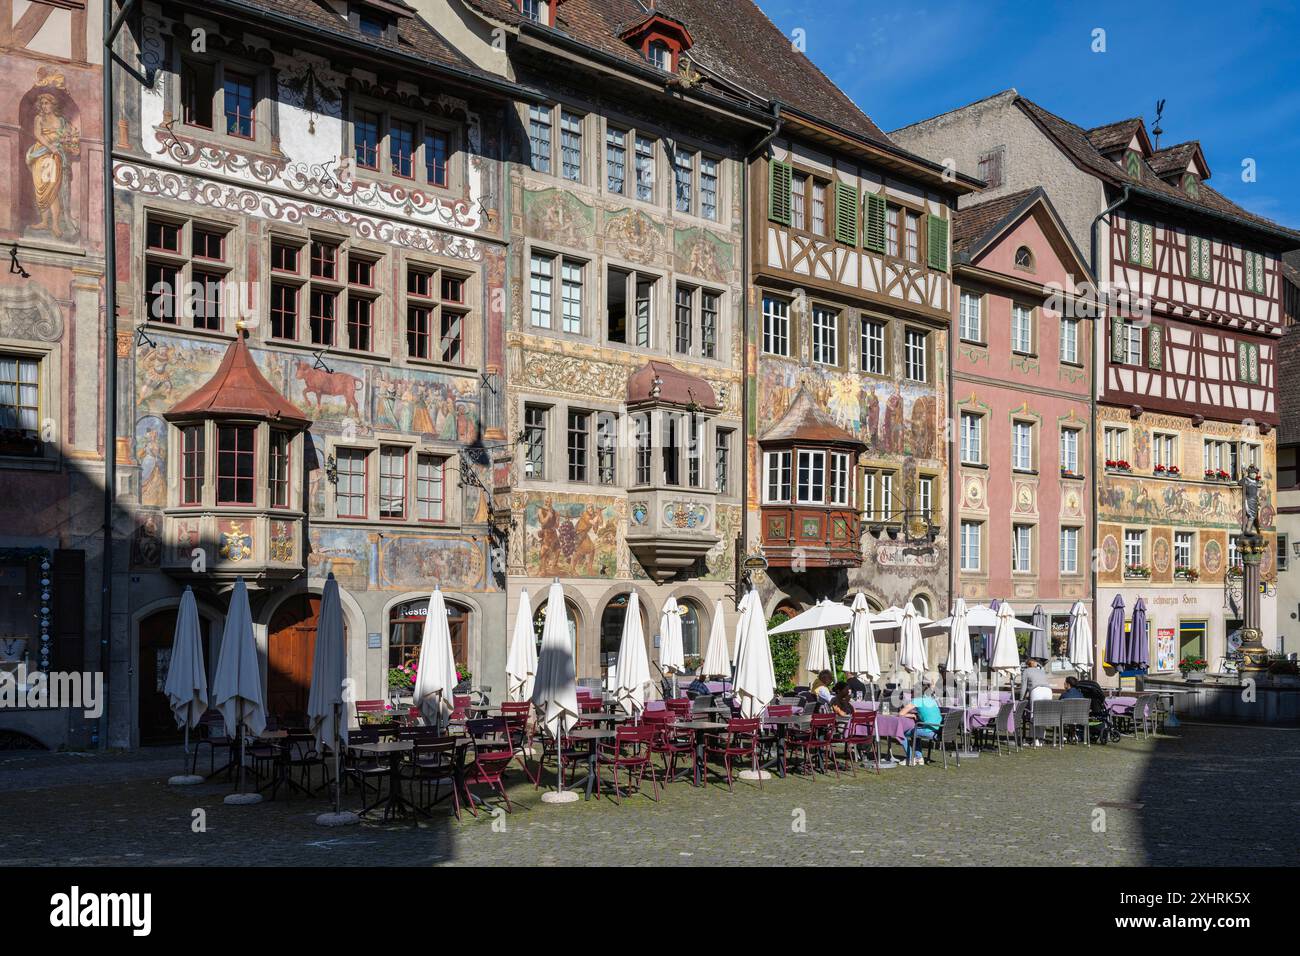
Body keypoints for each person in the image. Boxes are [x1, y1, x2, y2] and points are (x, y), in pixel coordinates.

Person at [896, 682, 942, 766]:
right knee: (916, 732)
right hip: (939, 730)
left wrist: (911, 715)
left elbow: (901, 713)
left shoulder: (917, 701)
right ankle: (919, 757)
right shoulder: (931, 700)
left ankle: (910, 759)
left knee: (900, 733)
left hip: (929, 731)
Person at [1022, 658, 1054, 747]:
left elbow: (1023, 687)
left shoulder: (1026, 671)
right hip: (1048, 691)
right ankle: (1041, 739)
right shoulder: (1041, 671)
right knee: (1043, 715)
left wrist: (1021, 699)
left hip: (1036, 691)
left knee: (1033, 714)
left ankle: (1034, 739)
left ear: (1027, 665)